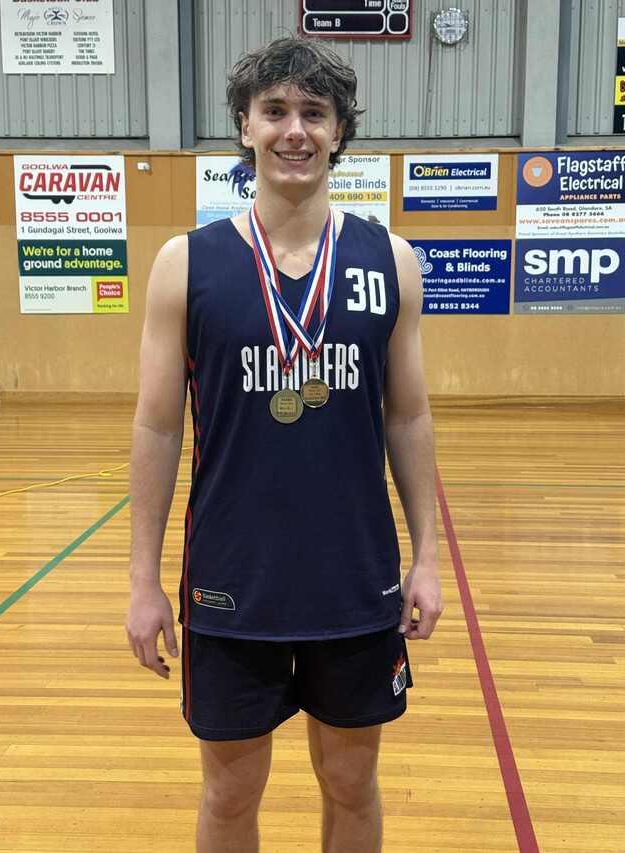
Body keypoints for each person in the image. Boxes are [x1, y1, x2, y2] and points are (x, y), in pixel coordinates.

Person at [126, 35, 443, 853]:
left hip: (355, 579)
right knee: (230, 792)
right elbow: (157, 427)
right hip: (232, 582)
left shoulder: (391, 262)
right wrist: (142, 581)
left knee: (351, 782)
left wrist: (429, 556)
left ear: (339, 131)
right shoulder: (185, 265)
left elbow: (408, 417)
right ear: (245, 125)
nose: (294, 130)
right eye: (274, 111)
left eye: (314, 112)